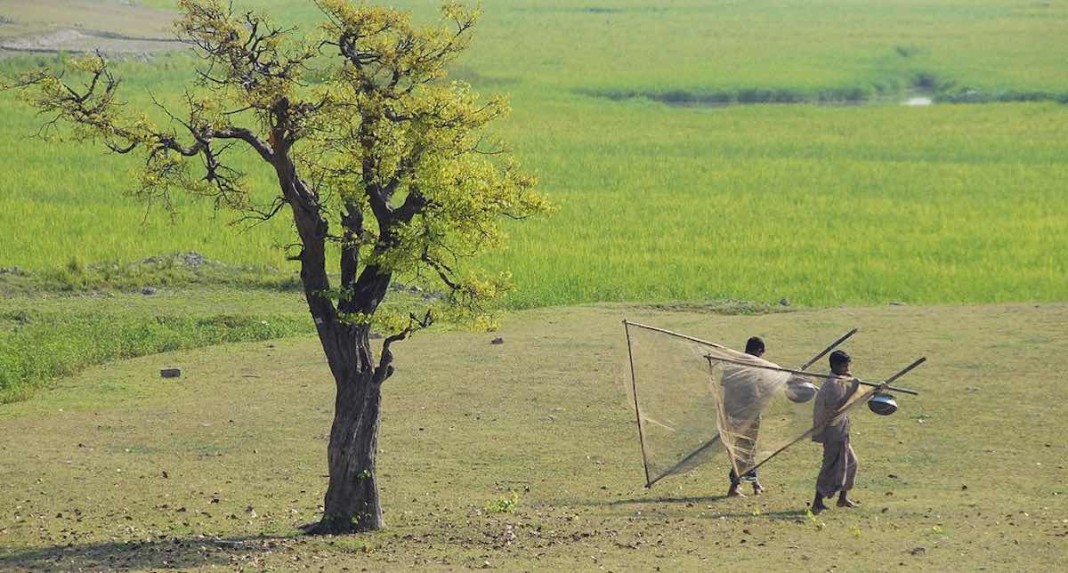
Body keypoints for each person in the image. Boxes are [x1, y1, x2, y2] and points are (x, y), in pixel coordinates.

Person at [809, 350, 880, 514]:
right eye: (845, 365)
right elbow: (838, 408)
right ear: (836, 366)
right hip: (832, 432)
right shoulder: (832, 385)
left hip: (841, 431)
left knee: (851, 462)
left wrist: (874, 391)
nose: (847, 368)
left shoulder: (839, 381)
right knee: (829, 467)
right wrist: (853, 389)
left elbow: (855, 399)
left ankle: (843, 498)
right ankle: (817, 501)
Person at [725, 336, 767, 497]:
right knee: (745, 451)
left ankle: (755, 484)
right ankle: (734, 486)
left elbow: (727, 390)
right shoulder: (752, 367)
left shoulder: (732, 365)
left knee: (748, 449)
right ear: (757, 351)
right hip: (747, 414)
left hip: (736, 413)